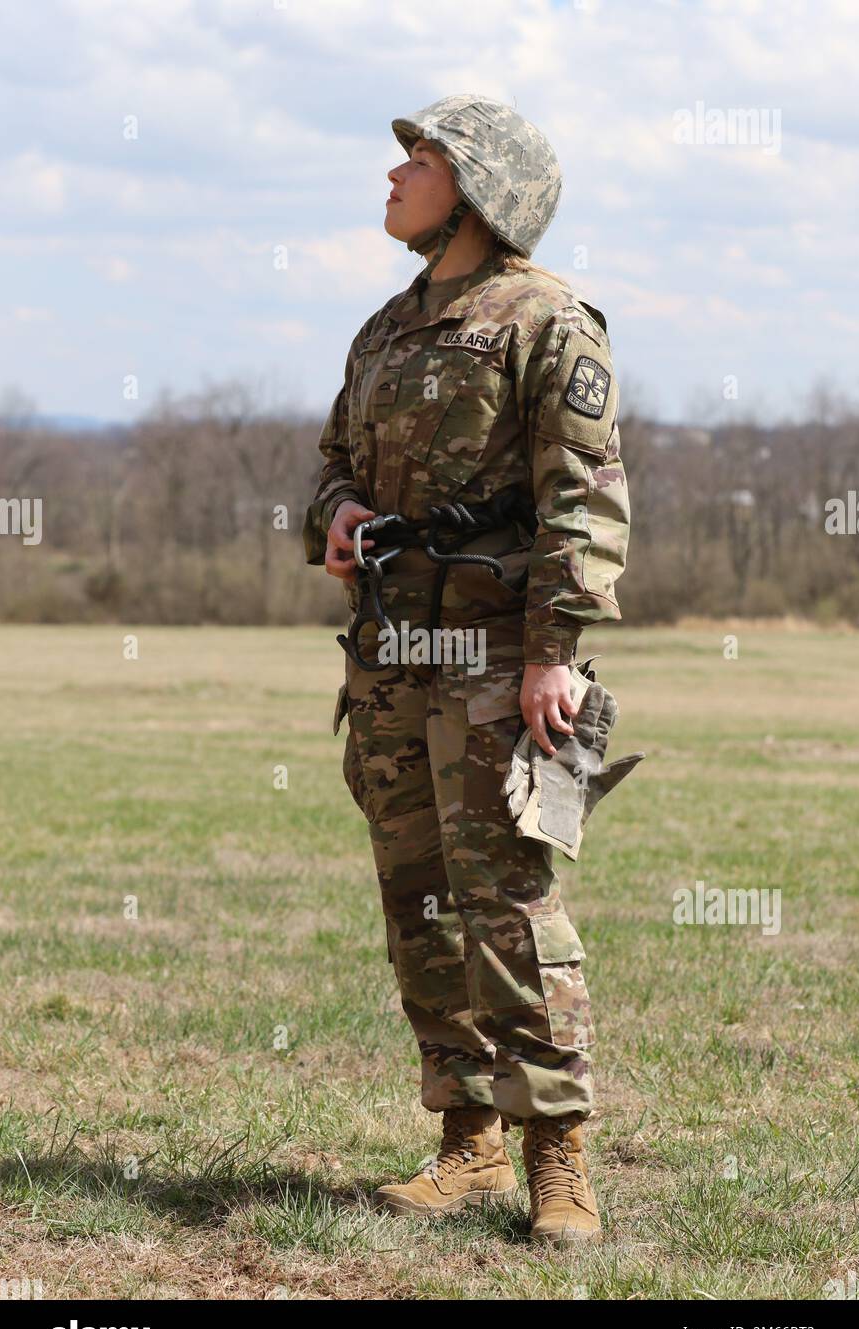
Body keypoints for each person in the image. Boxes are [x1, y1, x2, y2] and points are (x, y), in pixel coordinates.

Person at [302, 94, 631, 1245]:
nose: (393, 179)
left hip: (498, 661)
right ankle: (466, 1142)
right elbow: (329, 468)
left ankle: (558, 1159)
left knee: (510, 905)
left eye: (421, 162)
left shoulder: (549, 322)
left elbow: (581, 501)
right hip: (390, 659)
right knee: (421, 908)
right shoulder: (383, 331)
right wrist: (337, 512)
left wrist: (553, 654)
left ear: (481, 191)